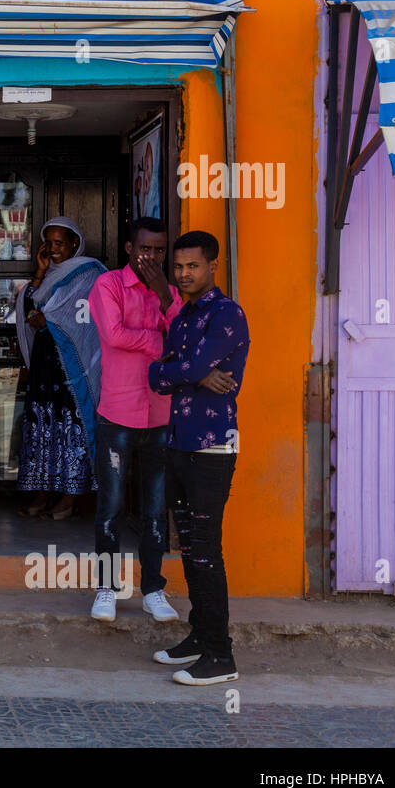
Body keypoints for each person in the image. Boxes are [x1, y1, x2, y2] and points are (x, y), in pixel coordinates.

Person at [148, 230, 250, 686]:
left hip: (211, 448)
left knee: (206, 550)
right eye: (179, 267)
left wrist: (189, 371)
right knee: (189, 547)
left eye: (193, 266)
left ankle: (220, 656)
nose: (184, 274)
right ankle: (198, 635)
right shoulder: (185, 316)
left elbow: (181, 369)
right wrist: (194, 374)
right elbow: (159, 375)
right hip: (179, 443)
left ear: (213, 266)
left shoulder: (228, 314)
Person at [86, 217, 182, 623]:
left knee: (156, 508)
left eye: (160, 251)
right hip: (118, 413)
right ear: (129, 248)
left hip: (161, 413)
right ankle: (106, 588)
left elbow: (186, 338)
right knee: (110, 504)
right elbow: (115, 336)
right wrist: (161, 345)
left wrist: (163, 295)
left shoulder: (172, 290)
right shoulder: (106, 286)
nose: (152, 257)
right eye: (145, 249)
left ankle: (153, 589)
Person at [14, 217, 106, 519]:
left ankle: (69, 497)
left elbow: (82, 317)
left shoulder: (88, 273)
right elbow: (29, 305)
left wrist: (48, 322)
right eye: (49, 243)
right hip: (45, 366)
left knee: (71, 431)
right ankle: (42, 492)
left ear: (74, 244)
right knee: (43, 430)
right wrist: (40, 272)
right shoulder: (47, 277)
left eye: (59, 243)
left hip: (72, 367)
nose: (53, 249)